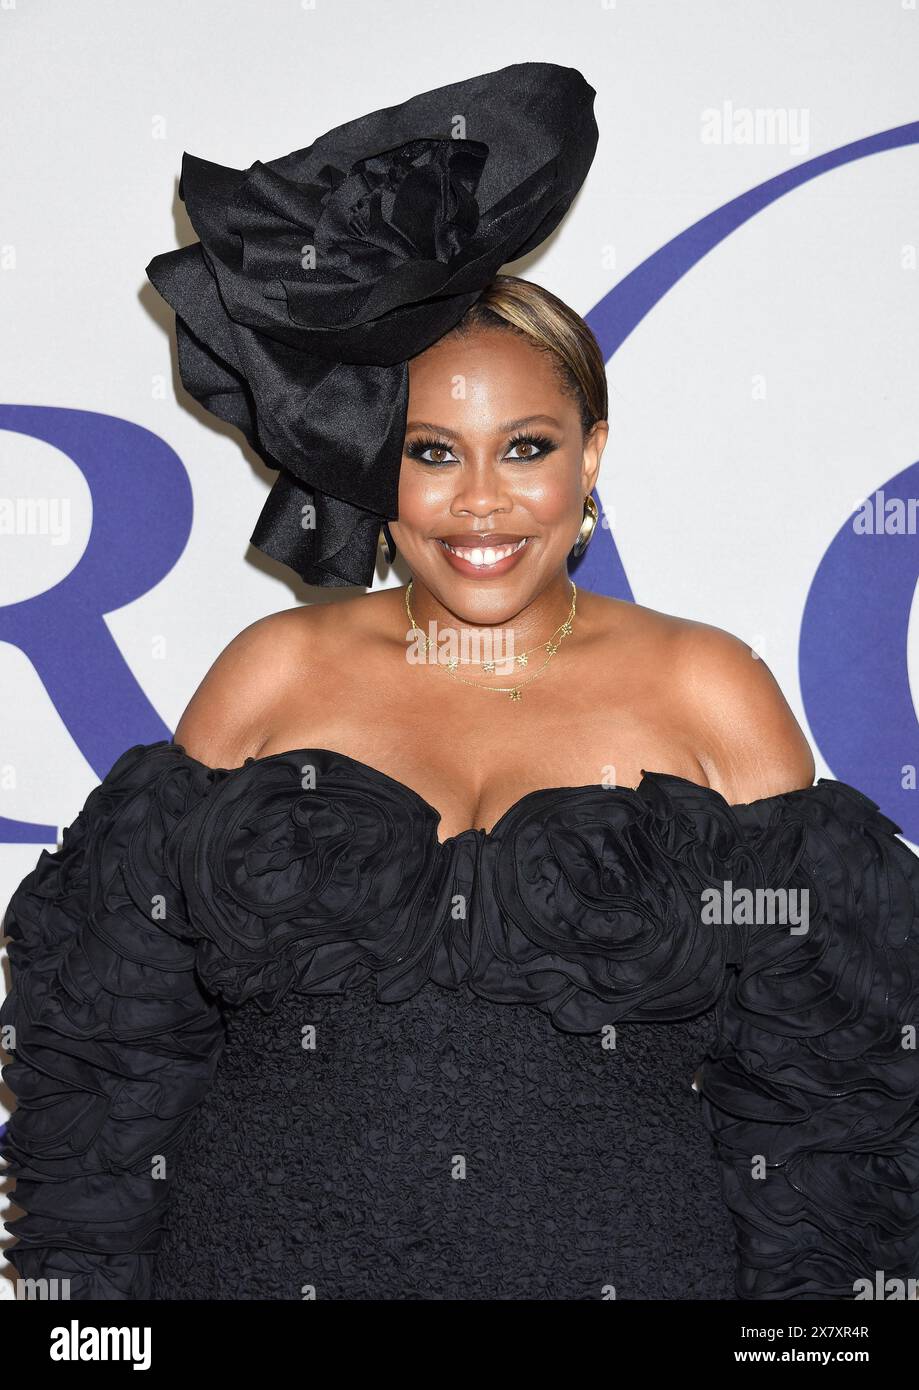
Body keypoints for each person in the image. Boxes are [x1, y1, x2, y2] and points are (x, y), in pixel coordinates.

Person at [2, 63, 917, 1302]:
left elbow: (823, 1077)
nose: (480, 502)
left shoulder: (710, 691)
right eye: (432, 453)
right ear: (381, 472)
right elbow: (117, 1048)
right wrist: (87, 1332)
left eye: (525, 449)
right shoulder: (273, 676)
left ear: (590, 453)